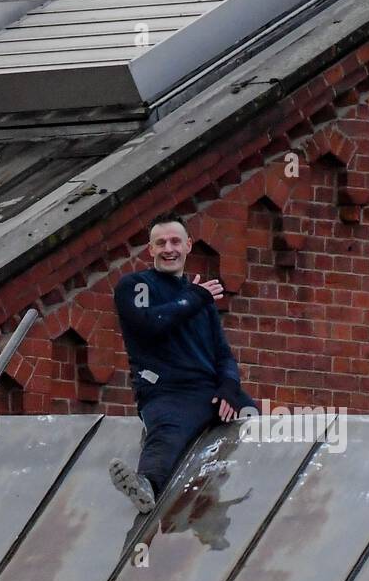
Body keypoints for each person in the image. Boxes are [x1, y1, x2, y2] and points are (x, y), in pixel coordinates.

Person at [107, 212, 257, 512]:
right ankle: (145, 487)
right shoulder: (136, 285)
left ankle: (261, 494)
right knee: (166, 435)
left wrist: (229, 386)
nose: (168, 249)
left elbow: (222, 352)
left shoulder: (199, 297)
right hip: (168, 391)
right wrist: (193, 298)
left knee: (259, 423)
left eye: (175, 241)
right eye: (160, 243)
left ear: (189, 245)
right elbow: (150, 324)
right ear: (150, 250)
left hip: (212, 392)